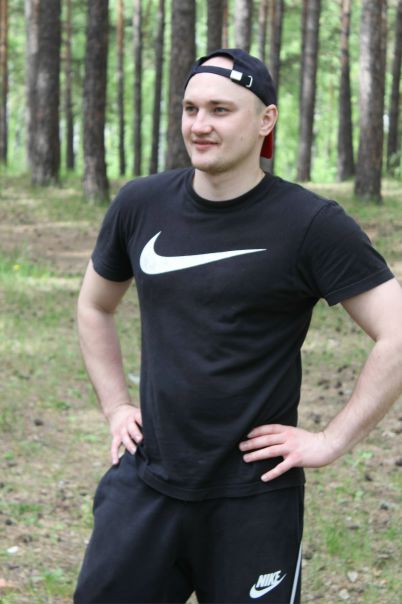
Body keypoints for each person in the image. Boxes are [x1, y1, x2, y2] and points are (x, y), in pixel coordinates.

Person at [73, 48, 402, 604]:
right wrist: (115, 407)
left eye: (220, 110)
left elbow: (396, 332)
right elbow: (94, 306)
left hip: (254, 498)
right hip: (146, 484)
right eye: (191, 109)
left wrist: (331, 440)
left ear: (265, 120)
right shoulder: (140, 204)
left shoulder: (310, 224)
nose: (199, 125)